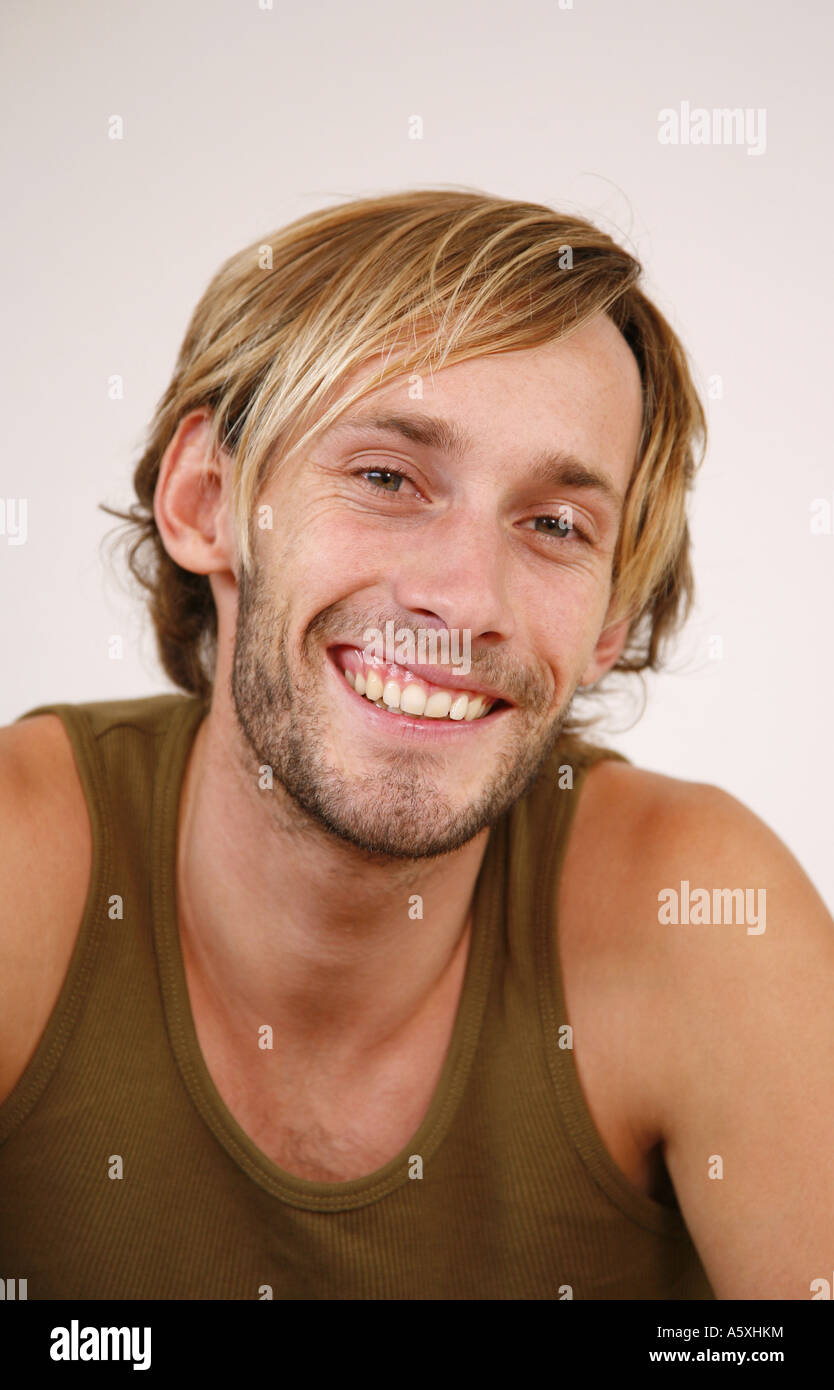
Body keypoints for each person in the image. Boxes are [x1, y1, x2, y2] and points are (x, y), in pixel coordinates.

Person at [1, 189, 832, 1301]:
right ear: (205, 501)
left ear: (611, 621)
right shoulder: (21, 872)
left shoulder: (701, 916)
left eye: (553, 525)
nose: (463, 597)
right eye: (388, 477)